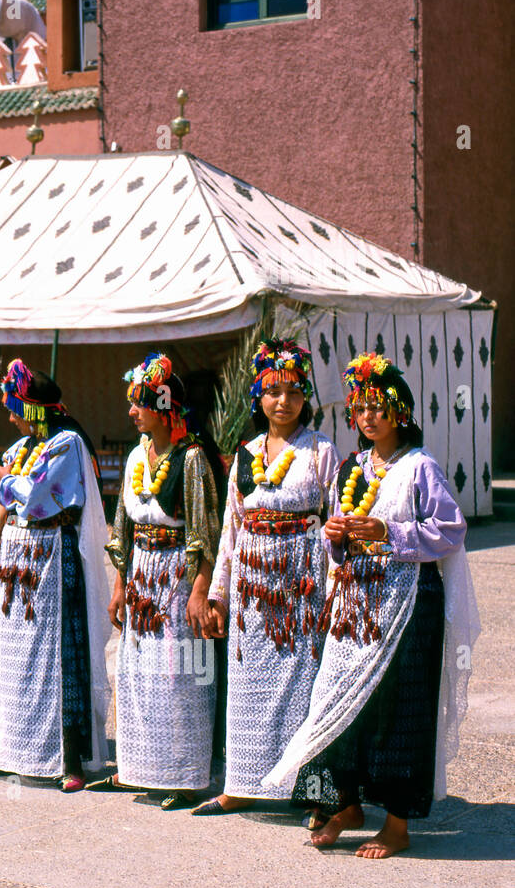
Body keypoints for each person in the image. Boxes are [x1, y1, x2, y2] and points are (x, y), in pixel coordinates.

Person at [264, 353, 480, 858]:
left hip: (409, 603)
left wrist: (390, 531)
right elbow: (335, 533)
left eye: (378, 407)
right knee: (337, 699)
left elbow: (451, 530)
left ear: (400, 412)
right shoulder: (351, 468)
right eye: (359, 408)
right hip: (357, 602)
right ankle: (343, 804)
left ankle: (398, 825)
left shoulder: (420, 467)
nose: (368, 417)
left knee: (399, 708)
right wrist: (334, 535)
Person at [194, 340, 339, 815]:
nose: (283, 401)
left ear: (305, 396)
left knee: (306, 684)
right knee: (247, 683)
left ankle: (310, 792)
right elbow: (231, 526)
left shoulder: (320, 450)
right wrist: (217, 593)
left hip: (301, 586)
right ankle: (241, 784)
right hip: (251, 590)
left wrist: (336, 582)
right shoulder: (246, 454)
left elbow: (336, 519)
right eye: (273, 391)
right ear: (258, 395)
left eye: (293, 391)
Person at [0, 361, 111, 791]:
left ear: (34, 409)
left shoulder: (67, 445)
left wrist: (8, 480)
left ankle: (71, 760)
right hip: (17, 567)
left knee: (57, 657)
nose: (9, 416)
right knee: (13, 660)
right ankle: (10, 750)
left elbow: (38, 498)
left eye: (15, 407)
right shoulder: (22, 448)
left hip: (52, 562)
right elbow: (2, 513)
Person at [95, 352, 221, 809]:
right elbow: (122, 526)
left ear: (163, 407)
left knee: (178, 674)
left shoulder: (191, 460)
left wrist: (199, 589)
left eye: (139, 403)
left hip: (175, 576)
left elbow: (205, 532)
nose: (131, 412)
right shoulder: (134, 457)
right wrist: (118, 585)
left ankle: (184, 775)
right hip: (141, 576)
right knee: (137, 673)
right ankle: (140, 769)